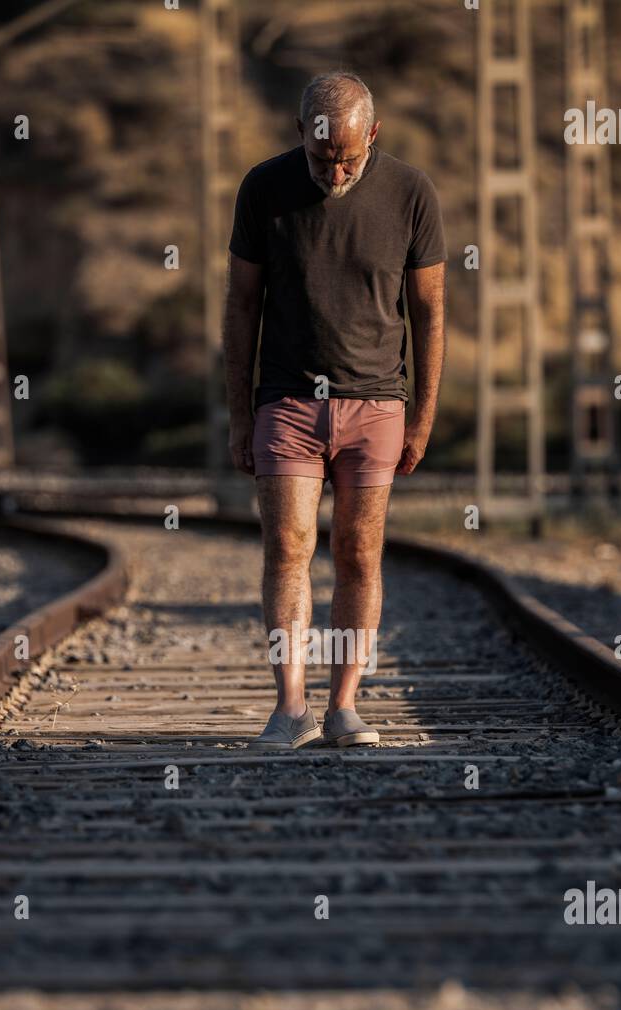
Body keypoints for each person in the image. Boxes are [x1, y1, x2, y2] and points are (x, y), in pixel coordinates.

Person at [223, 71, 446, 748]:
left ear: (372, 134)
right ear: (301, 135)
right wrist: (238, 415)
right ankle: (289, 707)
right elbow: (241, 305)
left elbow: (429, 310)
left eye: (349, 157)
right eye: (323, 158)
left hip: (377, 403)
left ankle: (344, 706)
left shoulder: (411, 193)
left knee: (359, 554)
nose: (336, 171)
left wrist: (423, 415)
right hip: (286, 401)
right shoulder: (264, 188)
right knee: (286, 549)